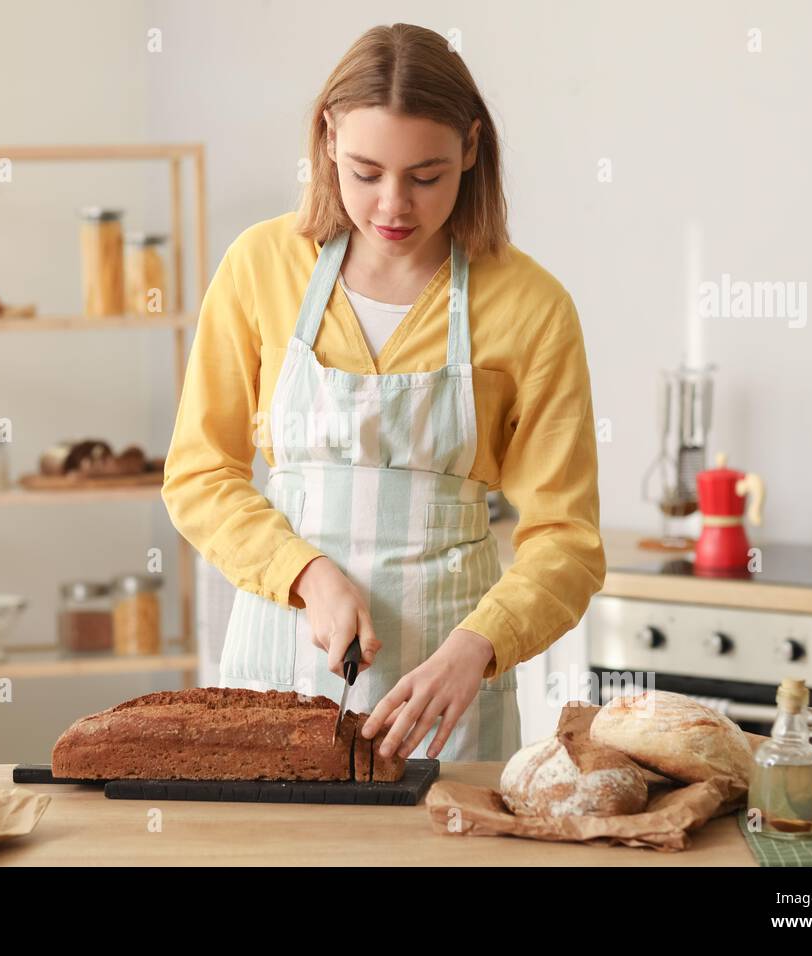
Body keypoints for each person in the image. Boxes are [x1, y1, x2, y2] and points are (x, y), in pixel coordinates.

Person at [162, 23, 605, 762]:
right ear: (328, 137)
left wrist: (480, 648)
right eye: (366, 172)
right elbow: (199, 474)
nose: (393, 205)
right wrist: (306, 576)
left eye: (426, 175)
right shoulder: (260, 266)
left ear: (470, 147)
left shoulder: (532, 305)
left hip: (449, 693)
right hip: (277, 672)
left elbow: (569, 540)